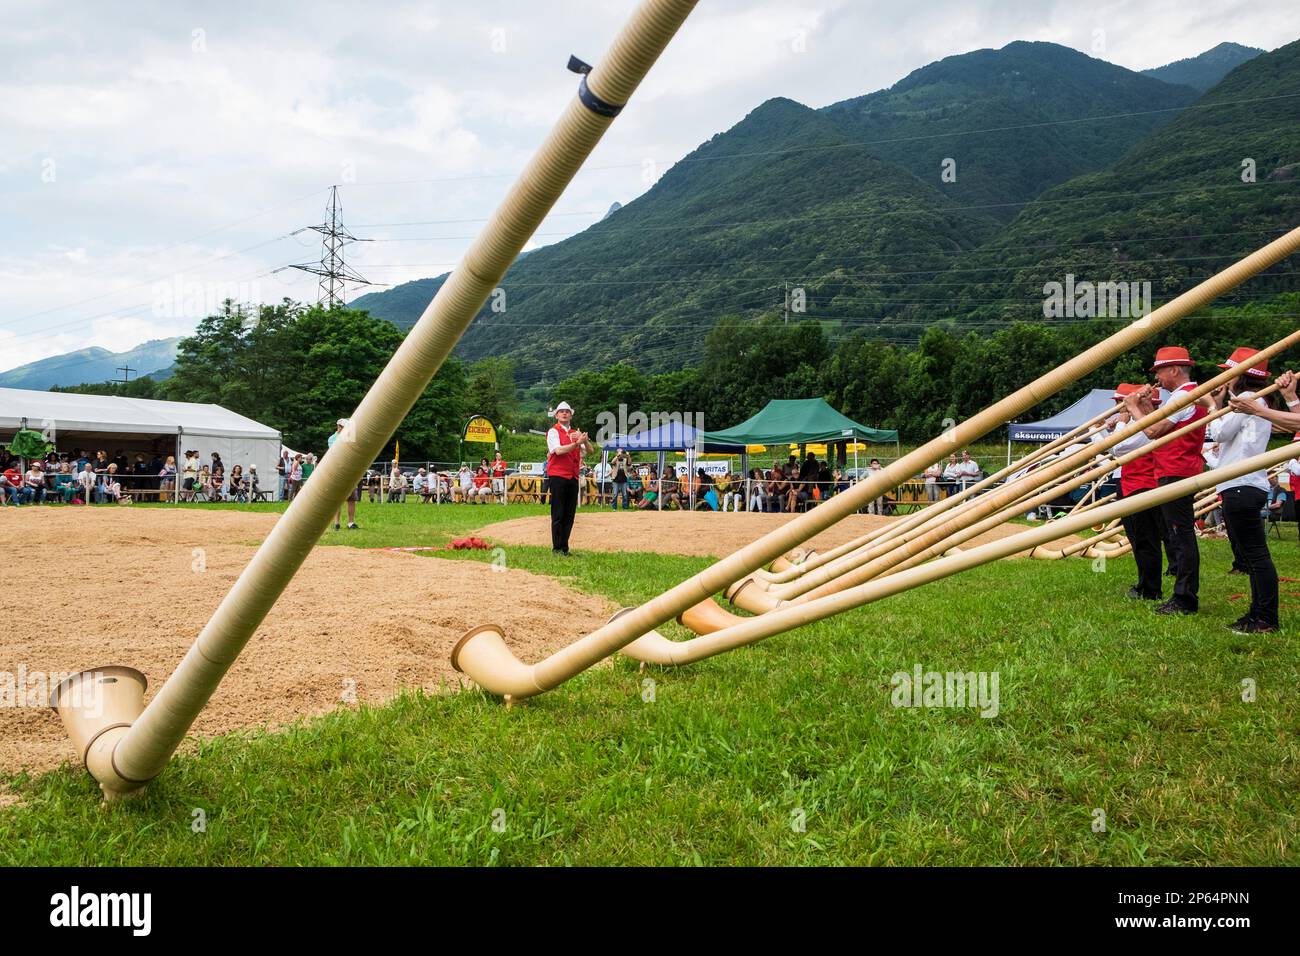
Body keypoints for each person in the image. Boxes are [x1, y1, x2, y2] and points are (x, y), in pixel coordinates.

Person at [1123, 346, 1213, 615]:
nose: (1156, 378)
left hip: (1176, 471)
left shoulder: (1183, 396)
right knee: (1178, 535)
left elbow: (1152, 431)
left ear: (1174, 370)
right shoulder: (1185, 396)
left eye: (1159, 371)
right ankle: (1183, 595)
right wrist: (1145, 406)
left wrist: (1132, 408)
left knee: (1180, 536)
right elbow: (1160, 426)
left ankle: (1185, 598)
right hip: (1176, 470)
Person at [1207, 348, 1278, 633]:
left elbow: (1219, 432)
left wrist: (1213, 406)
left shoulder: (1248, 397)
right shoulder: (1258, 399)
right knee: (1252, 556)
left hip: (1241, 484)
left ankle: (1265, 618)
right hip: (1244, 484)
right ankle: (1258, 613)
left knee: (1256, 556)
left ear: (1241, 375)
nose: (1225, 377)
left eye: (1229, 372)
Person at [1103, 384, 1165, 602]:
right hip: (1133, 484)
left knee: (1145, 540)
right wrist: (1113, 428)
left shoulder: (1145, 423)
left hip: (1142, 486)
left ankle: (1150, 589)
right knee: (1138, 540)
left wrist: (1121, 422)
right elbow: (1113, 448)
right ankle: (1145, 585)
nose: (1120, 408)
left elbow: (1119, 448)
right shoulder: (1136, 423)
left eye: (1121, 403)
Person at [546, 401, 592, 555]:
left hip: (573, 475)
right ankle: (557, 547)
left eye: (567, 411)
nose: (564, 413)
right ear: (556, 415)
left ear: (571, 415)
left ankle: (564, 547)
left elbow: (590, 451)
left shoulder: (575, 433)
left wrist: (584, 440)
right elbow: (558, 450)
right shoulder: (553, 431)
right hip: (558, 475)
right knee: (558, 513)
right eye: (561, 411)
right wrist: (576, 443)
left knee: (570, 514)